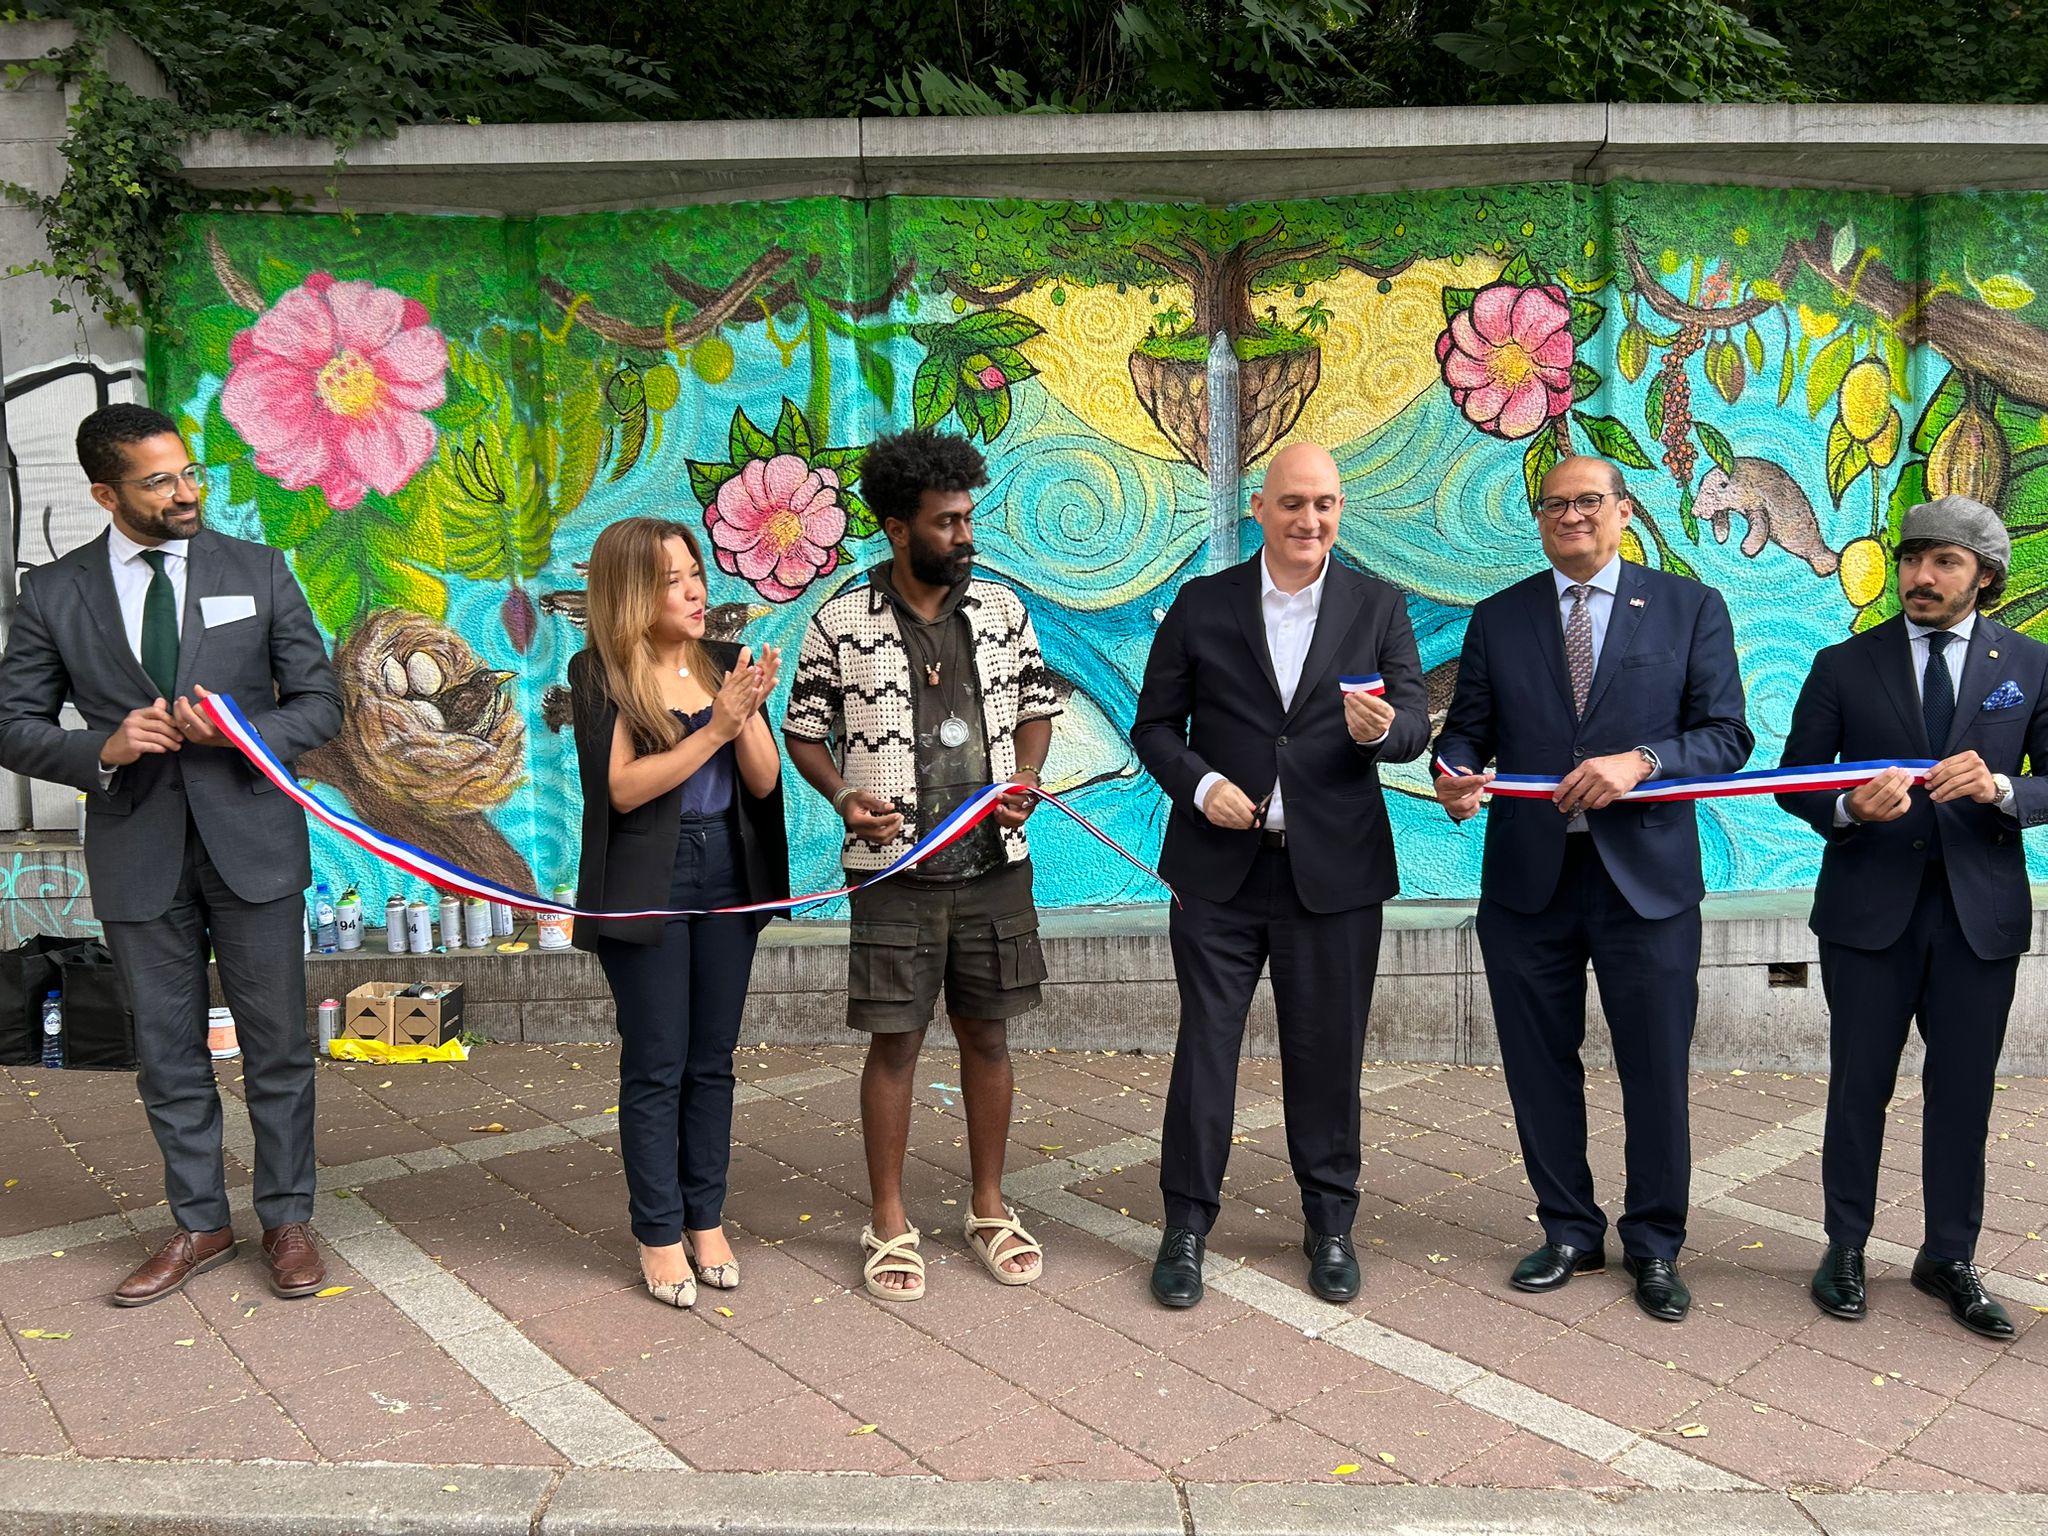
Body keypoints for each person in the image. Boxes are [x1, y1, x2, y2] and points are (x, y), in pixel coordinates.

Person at [0, 403, 342, 1306]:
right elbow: (13, 724)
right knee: (166, 1051)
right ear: (105, 494)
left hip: (253, 845)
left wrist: (241, 734)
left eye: (190, 473)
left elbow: (320, 702)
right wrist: (102, 748)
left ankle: (287, 1220)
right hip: (136, 848)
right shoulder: (55, 593)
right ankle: (200, 1222)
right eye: (159, 481)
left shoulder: (257, 569)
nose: (186, 492)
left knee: (277, 1047)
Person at [1432, 455, 1751, 1324]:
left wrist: (1643, 762)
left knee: (1655, 1068)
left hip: (1647, 883)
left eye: (1587, 501)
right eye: (1554, 504)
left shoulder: (1689, 608)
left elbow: (1727, 738)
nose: (1570, 516)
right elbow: (1466, 734)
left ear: (1625, 510)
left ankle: (1655, 1244)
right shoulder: (1500, 618)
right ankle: (1569, 1228)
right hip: (1528, 882)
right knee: (1538, 1064)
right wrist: (1452, 773)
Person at [1130, 441, 1429, 1309]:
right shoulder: (1203, 604)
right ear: (1258, 508)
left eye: (1324, 504)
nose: (1310, 520)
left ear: (1340, 511)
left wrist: (1383, 732)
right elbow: (1155, 727)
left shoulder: (1377, 605)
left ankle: (1330, 1227)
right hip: (1217, 874)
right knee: (1206, 1051)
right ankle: (1186, 1227)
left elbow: (1414, 721)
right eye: (1293, 503)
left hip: (1335, 876)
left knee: (1328, 1055)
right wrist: (1204, 786)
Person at [783, 426, 1060, 1304]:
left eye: (968, 518)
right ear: (898, 529)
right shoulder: (840, 622)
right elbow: (803, 732)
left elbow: (1037, 708)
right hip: (891, 871)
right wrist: (842, 798)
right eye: (946, 522)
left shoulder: (1003, 611)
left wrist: (1025, 777)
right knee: (895, 1043)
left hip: (996, 865)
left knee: (989, 1034)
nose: (965, 535)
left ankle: (988, 1208)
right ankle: (889, 1221)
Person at [1776, 496, 2047, 1341]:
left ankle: (1949, 1257)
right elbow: (1794, 778)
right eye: (1912, 559)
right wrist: (1846, 808)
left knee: (1962, 1095)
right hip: (1868, 915)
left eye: (1944, 563)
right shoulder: (1842, 664)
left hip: (1979, 918)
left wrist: (2002, 789)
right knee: (1858, 1087)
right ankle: (1845, 1248)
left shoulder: (2030, 664)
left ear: (1984, 577)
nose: (1921, 577)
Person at [569, 516, 789, 1310]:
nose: (696, 591)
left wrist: (746, 713)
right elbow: (622, 790)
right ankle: (658, 1231)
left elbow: (762, 782)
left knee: (712, 1060)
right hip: (648, 877)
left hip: (729, 869)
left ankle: (706, 1218)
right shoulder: (599, 671)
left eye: (696, 572)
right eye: (672, 580)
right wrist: (714, 730)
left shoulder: (726, 663)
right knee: (657, 1061)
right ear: (631, 592)